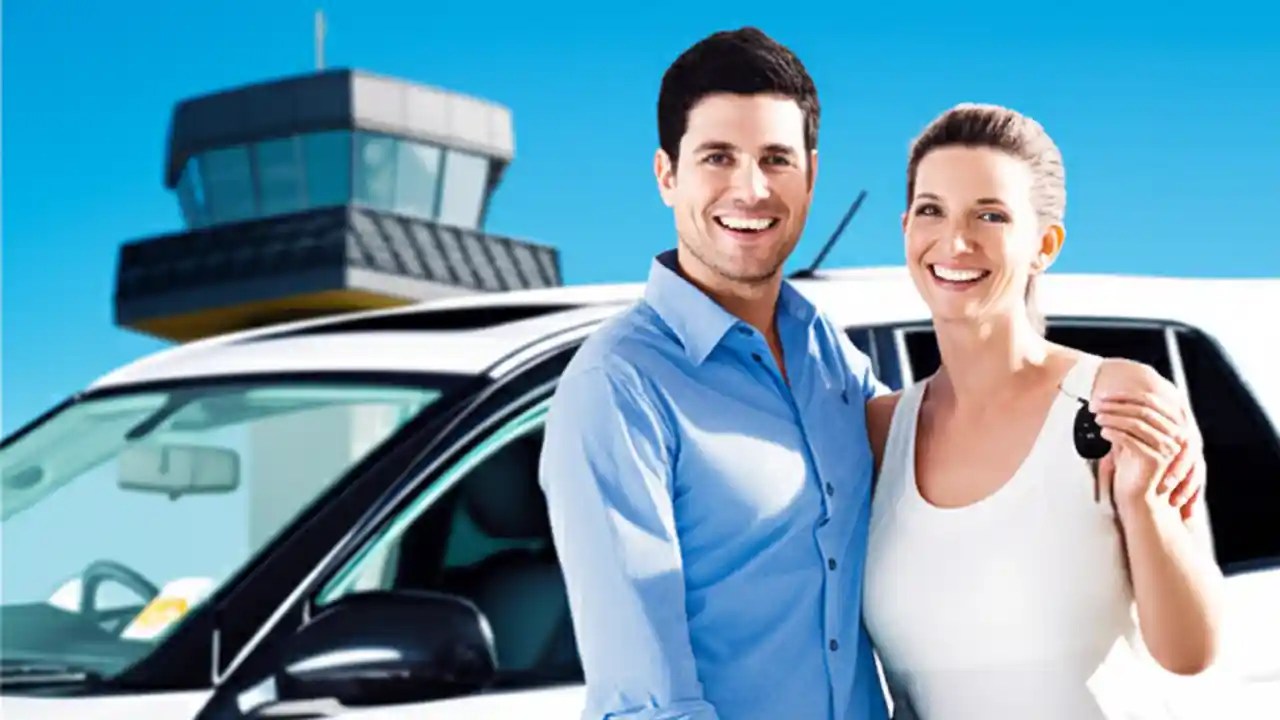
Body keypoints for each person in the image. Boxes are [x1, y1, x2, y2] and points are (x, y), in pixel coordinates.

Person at [537, 27, 892, 720]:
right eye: (718, 157)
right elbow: (647, 701)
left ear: (812, 174)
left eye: (776, 159)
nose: (750, 189)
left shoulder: (830, 358)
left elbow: (955, 444)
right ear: (667, 175)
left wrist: (1093, 389)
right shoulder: (617, 387)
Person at [861, 103, 1224, 719]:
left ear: (1044, 245)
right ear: (905, 229)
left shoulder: (1112, 398)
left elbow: (1191, 650)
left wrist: (1143, 505)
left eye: (991, 215)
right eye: (932, 210)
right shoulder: (880, 431)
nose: (955, 240)